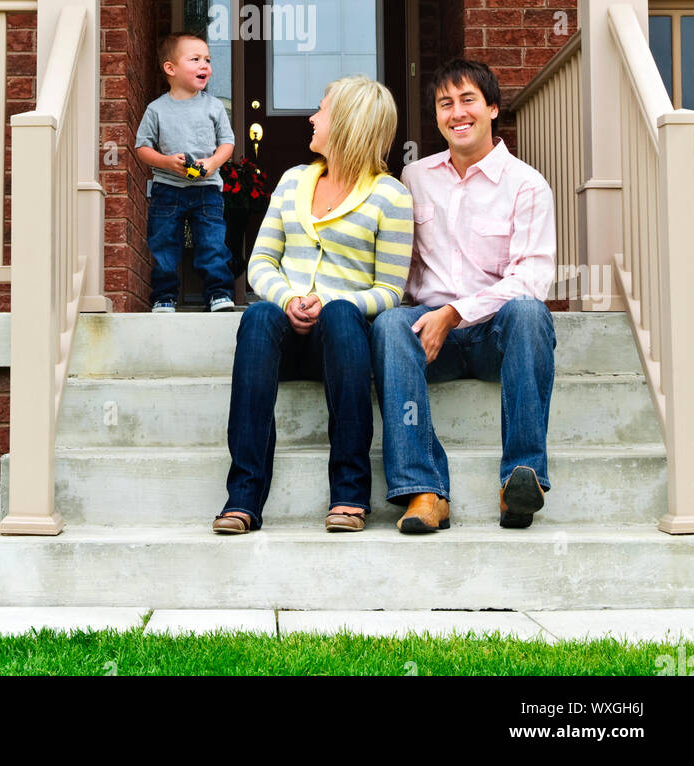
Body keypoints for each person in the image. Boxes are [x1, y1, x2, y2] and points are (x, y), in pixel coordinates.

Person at [212, 75, 413, 535]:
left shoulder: (391, 196)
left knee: (342, 313)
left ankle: (349, 494)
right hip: (284, 333)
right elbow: (261, 261)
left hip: (343, 342)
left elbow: (390, 290)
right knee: (258, 314)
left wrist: (330, 303)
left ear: (345, 122)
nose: (311, 117)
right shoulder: (293, 181)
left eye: (321, 109)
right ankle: (243, 496)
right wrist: (287, 299)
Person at [371, 58, 557, 535]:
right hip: (435, 340)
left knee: (530, 312)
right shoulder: (414, 179)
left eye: (468, 100)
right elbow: (401, 264)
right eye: (445, 103)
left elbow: (533, 278)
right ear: (436, 115)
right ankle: (424, 490)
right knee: (391, 324)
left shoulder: (527, 185)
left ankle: (522, 476)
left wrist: (455, 312)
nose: (457, 112)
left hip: (497, 336)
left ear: (492, 108)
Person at [135, 31, 235, 314]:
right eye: (195, 59)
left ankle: (218, 294)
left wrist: (212, 164)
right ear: (171, 68)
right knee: (164, 245)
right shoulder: (156, 109)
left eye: (208, 59)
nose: (205, 65)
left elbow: (227, 143)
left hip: (206, 189)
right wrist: (167, 162)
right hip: (168, 188)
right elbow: (142, 147)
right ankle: (164, 297)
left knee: (212, 243)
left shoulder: (213, 106)